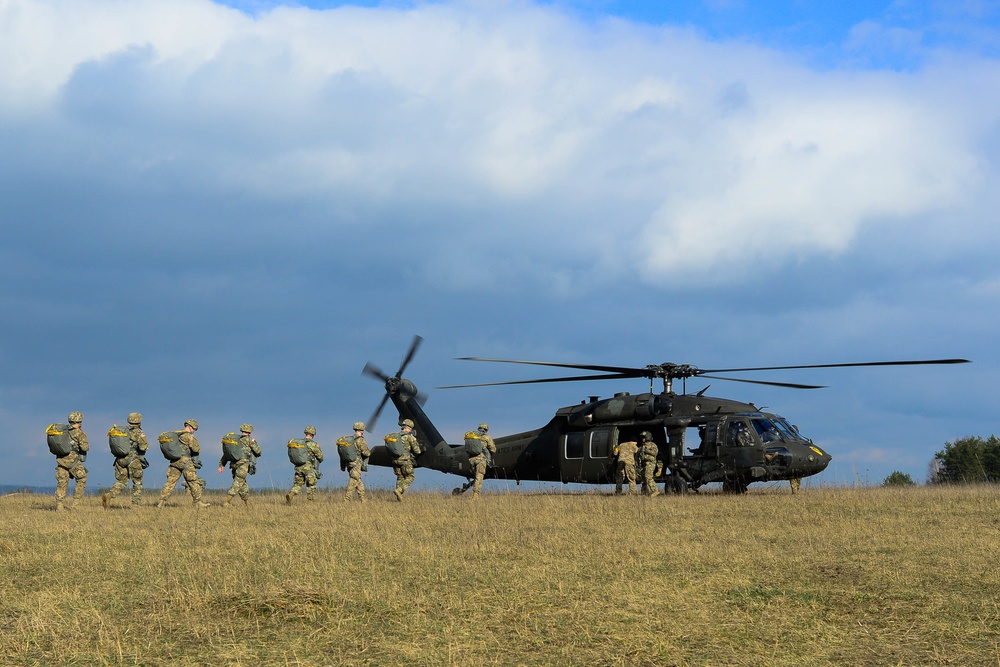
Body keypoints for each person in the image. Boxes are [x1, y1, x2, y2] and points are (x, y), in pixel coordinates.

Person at [157, 419, 210, 508]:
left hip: (174, 461)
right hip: (186, 461)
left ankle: (161, 502)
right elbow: (196, 449)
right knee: (193, 481)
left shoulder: (176, 434)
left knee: (170, 482)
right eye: (194, 429)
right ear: (191, 427)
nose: (194, 431)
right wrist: (196, 462)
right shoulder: (189, 436)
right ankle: (197, 502)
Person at [102, 412, 149, 508]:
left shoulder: (122, 431)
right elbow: (143, 447)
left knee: (122, 481)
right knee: (137, 482)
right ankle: (136, 505)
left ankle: (109, 495)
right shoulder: (139, 432)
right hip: (133, 459)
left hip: (119, 459)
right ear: (139, 421)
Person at [219, 423, 262, 507]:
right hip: (243, 465)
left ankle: (247, 503)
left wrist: (222, 465)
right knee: (238, 482)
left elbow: (226, 454)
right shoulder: (249, 440)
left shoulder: (236, 440)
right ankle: (227, 501)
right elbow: (258, 451)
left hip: (234, 464)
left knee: (242, 484)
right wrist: (254, 442)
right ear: (250, 432)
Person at [54, 411, 89, 511]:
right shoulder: (79, 432)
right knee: (82, 478)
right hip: (72, 461)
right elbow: (85, 447)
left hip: (60, 460)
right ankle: (75, 505)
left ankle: (59, 506)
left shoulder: (63, 431)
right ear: (79, 421)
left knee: (62, 482)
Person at [286, 425, 323, 504]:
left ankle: (291, 494)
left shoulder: (300, 444)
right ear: (313, 434)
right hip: (308, 468)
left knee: (298, 484)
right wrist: (319, 448)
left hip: (298, 467)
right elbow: (320, 457)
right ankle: (311, 502)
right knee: (311, 485)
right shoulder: (312, 444)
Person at [392, 418, 422, 501]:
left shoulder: (396, 436)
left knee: (400, 477)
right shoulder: (409, 437)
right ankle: (399, 490)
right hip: (405, 460)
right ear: (410, 427)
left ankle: (399, 499)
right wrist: (415, 441)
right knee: (410, 477)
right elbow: (417, 451)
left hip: (395, 461)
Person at [343, 421, 371, 502]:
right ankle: (346, 499)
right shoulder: (360, 440)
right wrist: (369, 452)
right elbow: (366, 452)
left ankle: (363, 499)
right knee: (353, 480)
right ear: (362, 430)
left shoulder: (350, 440)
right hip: (356, 463)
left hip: (349, 463)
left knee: (358, 480)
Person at [468, 422, 496, 499]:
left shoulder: (472, 436)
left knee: (475, 476)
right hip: (480, 459)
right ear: (486, 429)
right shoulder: (486, 438)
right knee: (479, 477)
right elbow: (493, 449)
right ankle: (475, 496)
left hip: (471, 459)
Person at [638, 431, 660, 497]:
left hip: (650, 463)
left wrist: (646, 450)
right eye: (642, 438)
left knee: (648, 476)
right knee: (643, 479)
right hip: (643, 464)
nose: (642, 439)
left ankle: (655, 490)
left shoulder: (652, 445)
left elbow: (654, 453)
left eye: (644, 437)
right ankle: (644, 493)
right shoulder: (641, 446)